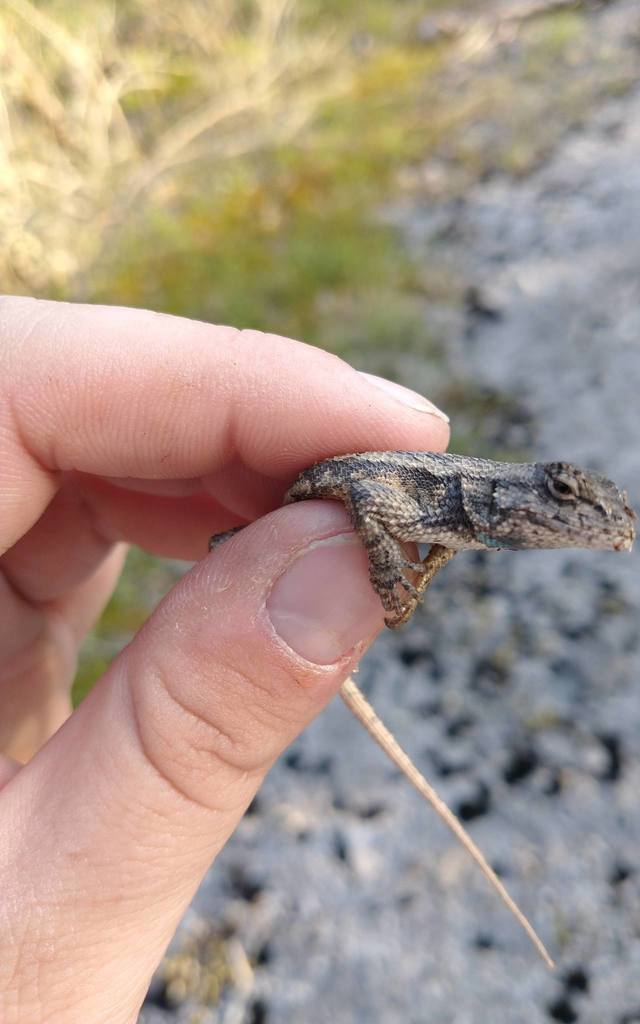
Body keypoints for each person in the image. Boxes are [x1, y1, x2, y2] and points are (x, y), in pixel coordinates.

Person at [0, 296, 449, 1023]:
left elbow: (416, 523)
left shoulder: (454, 509)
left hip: (300, 516)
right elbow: (371, 501)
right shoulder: (450, 496)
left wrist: (409, 575)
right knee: (264, 553)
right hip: (295, 515)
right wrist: (392, 576)